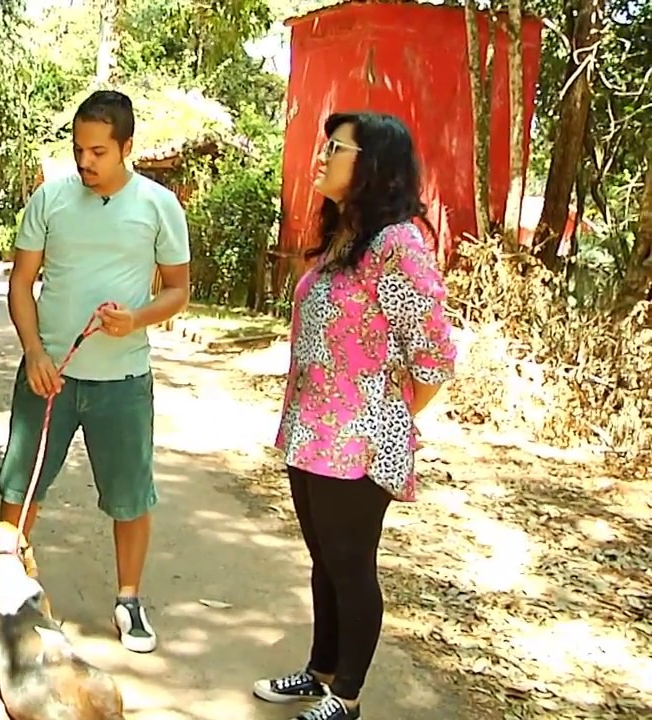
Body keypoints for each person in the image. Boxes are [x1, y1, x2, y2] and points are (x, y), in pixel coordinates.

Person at [254, 111, 458, 720]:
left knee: (351, 565)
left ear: (370, 165)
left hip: (359, 442)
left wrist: (388, 413)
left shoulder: (397, 245)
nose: (323, 156)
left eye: (336, 148)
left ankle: (347, 697)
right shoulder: (347, 238)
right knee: (325, 560)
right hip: (312, 433)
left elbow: (434, 350)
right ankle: (320, 673)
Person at [0, 90, 191, 654]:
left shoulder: (159, 206)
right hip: (47, 378)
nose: (85, 161)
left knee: (130, 495)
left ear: (128, 147)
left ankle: (129, 601)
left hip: (124, 383)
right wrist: (34, 351)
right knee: (19, 487)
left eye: (99, 151)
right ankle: (4, 593)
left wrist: (136, 319)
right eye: (79, 148)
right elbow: (20, 284)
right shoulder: (50, 200)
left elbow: (177, 291)